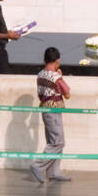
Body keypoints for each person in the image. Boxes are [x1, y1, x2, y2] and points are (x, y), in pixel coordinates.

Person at [31, 46, 72, 183]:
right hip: (54, 111)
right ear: (57, 61)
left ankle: (53, 172)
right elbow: (67, 94)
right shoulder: (56, 77)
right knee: (58, 142)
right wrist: (60, 76)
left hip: (45, 109)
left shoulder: (40, 74)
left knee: (52, 141)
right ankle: (38, 165)